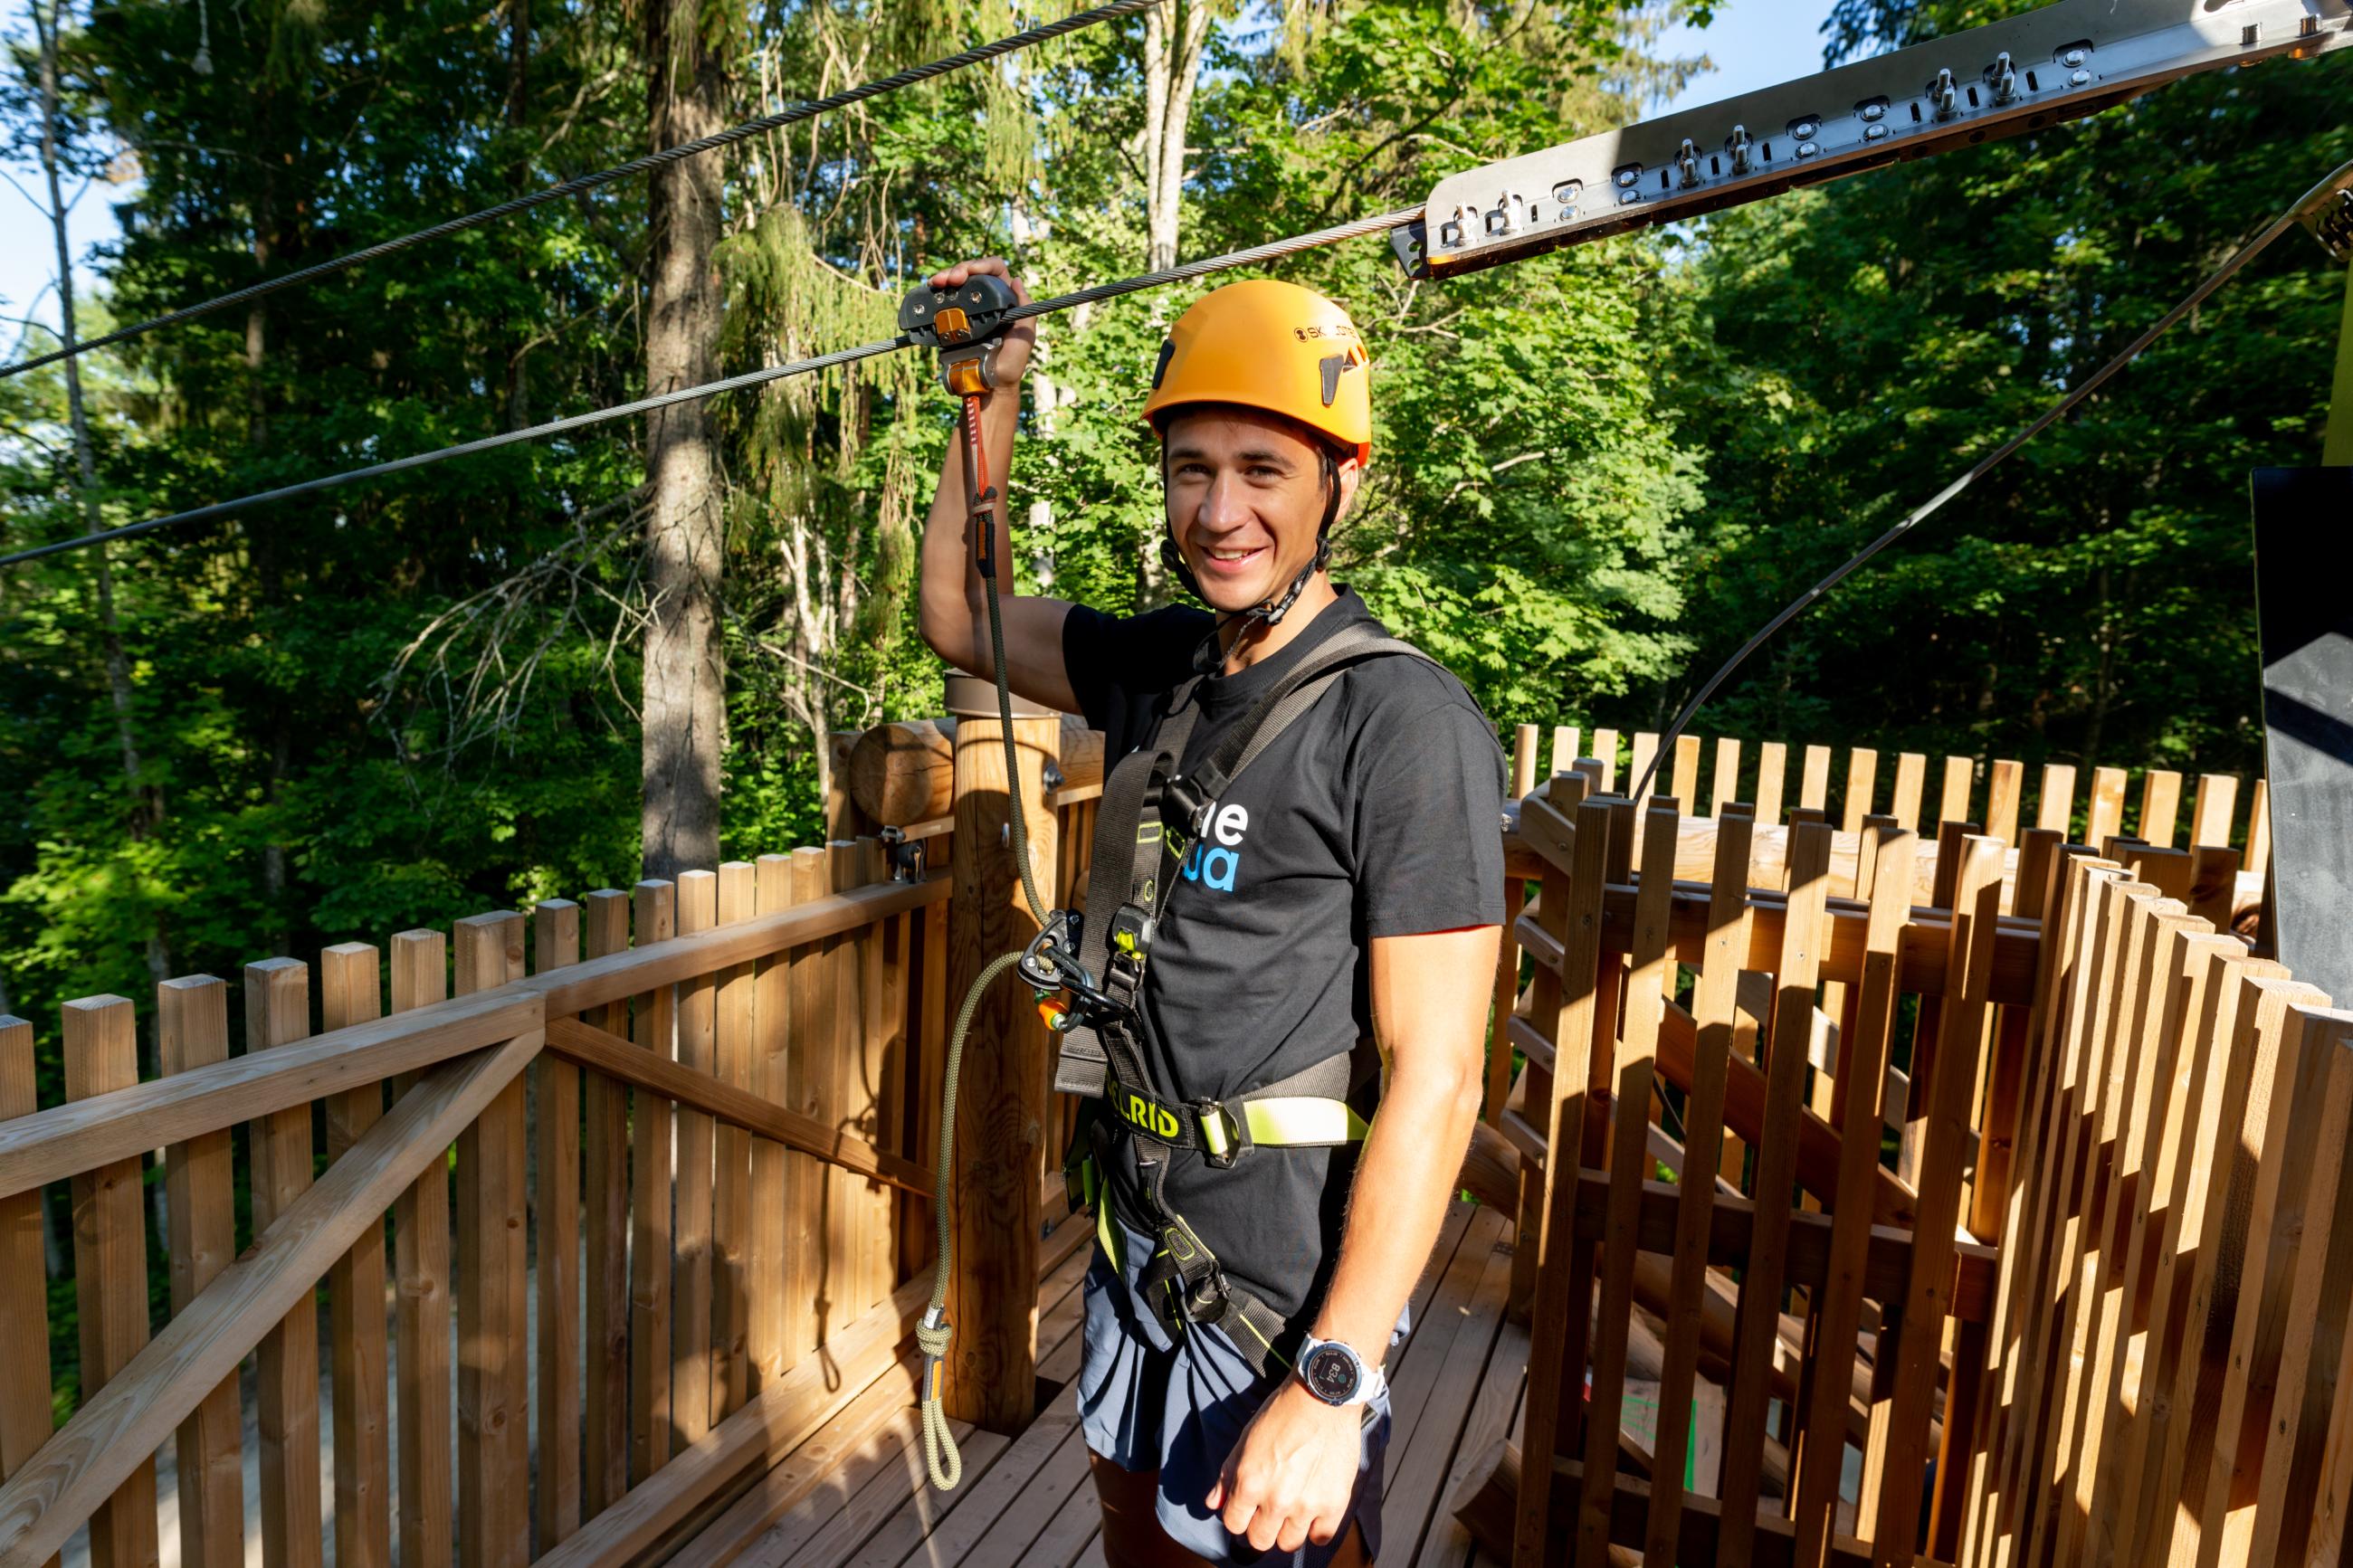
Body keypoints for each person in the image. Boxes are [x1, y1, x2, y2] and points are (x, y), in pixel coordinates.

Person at [917, 257, 1505, 1568]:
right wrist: (987, 394)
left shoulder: (1401, 724)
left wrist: (1334, 1377)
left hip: (1280, 1293)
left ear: (1336, 486)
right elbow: (955, 613)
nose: (1220, 509)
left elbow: (1441, 1075)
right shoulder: (1159, 669)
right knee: (1138, 1539)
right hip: (1140, 1244)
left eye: (1262, 469)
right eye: (1192, 468)